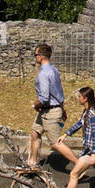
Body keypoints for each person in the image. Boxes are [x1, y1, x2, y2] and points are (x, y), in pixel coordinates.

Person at [24, 43, 76, 172]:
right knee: (34, 133)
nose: (35, 57)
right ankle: (32, 163)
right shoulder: (54, 69)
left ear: (41, 56)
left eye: (35, 55)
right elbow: (58, 91)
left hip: (50, 112)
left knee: (55, 143)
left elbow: (43, 98)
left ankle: (79, 164)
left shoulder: (43, 74)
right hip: (48, 110)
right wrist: (63, 109)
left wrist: (34, 105)